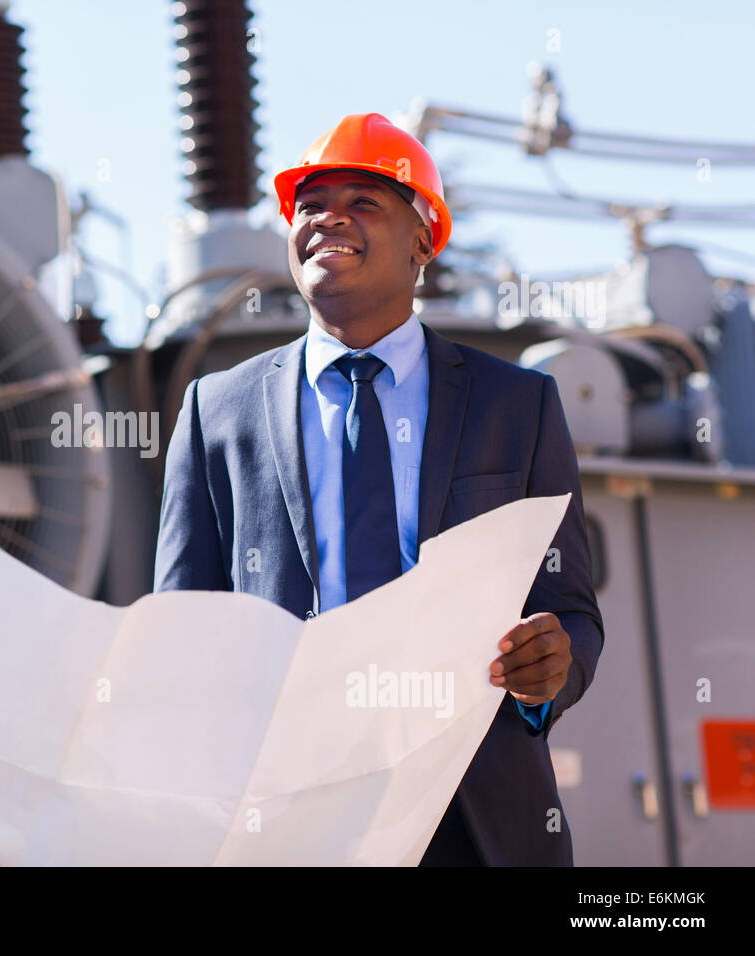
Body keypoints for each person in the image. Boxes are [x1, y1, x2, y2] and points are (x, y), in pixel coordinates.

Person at [153, 113, 604, 865]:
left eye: (363, 201)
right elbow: (180, 631)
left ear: (424, 239)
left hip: (476, 819)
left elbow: (572, 611)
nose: (327, 218)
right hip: (289, 819)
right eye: (309, 204)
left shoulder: (516, 405)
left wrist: (551, 672)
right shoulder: (215, 411)